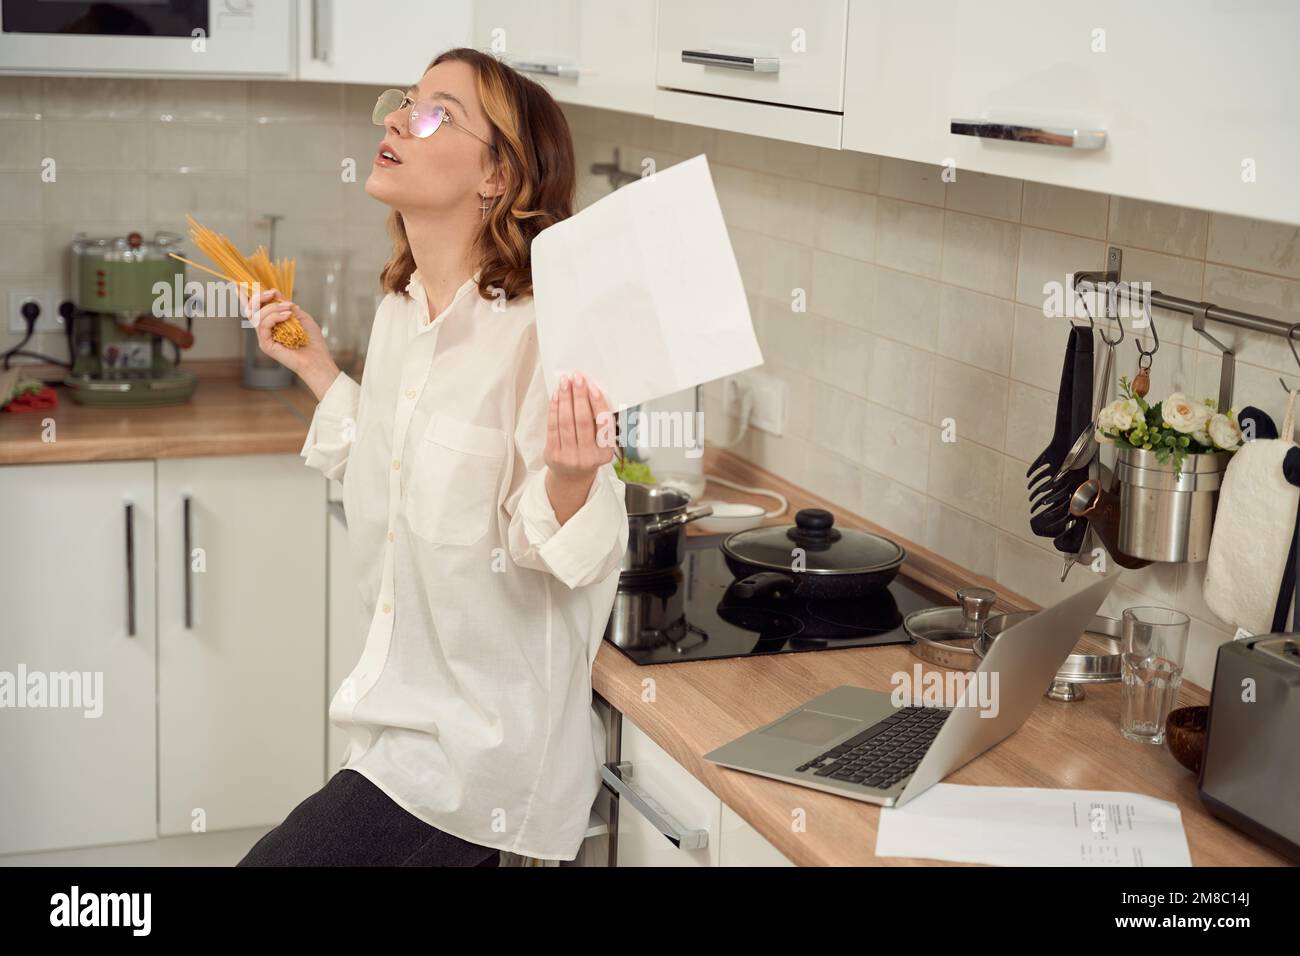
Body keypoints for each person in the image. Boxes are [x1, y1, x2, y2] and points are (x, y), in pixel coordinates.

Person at [237, 48, 628, 866]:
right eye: (404, 102)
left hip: (477, 773)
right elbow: (393, 466)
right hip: (396, 745)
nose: (395, 119)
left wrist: (571, 474)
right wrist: (313, 365)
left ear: (497, 177)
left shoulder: (547, 328)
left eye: (434, 113)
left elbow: (572, 552)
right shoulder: (400, 309)